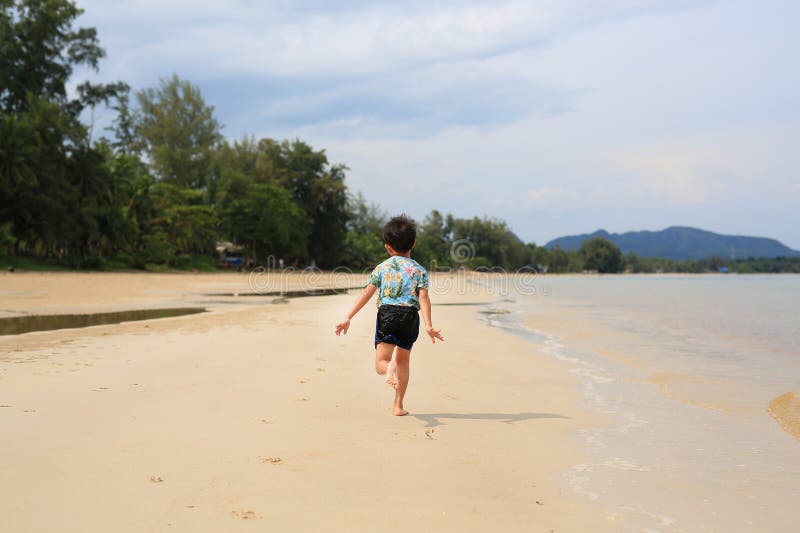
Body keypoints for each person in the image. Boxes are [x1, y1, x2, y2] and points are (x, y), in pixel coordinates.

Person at [334, 215, 444, 416]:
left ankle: (388, 369)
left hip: (388, 315)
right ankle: (398, 405)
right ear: (414, 243)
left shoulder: (382, 268)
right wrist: (428, 325)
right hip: (410, 318)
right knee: (404, 361)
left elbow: (367, 293)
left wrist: (348, 316)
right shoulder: (419, 270)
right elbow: (424, 298)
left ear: (387, 247)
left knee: (380, 363)